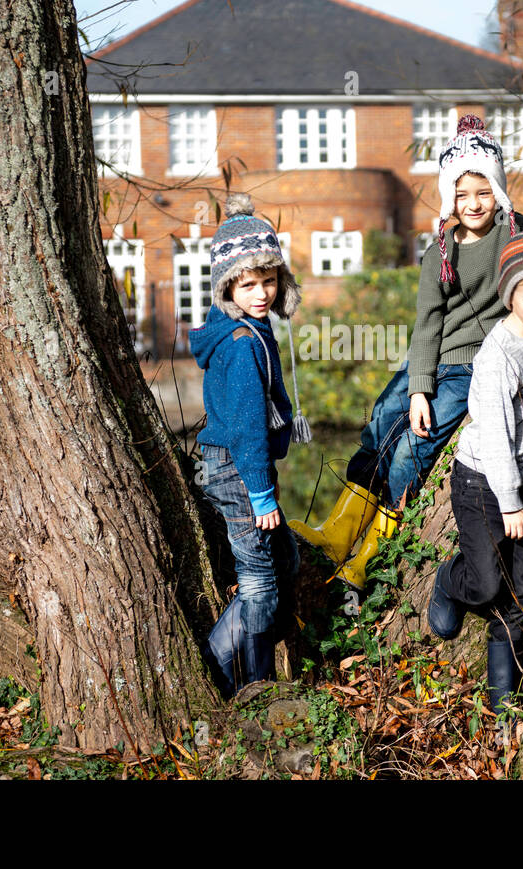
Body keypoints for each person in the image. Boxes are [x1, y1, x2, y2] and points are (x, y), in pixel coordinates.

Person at [290, 114, 523, 589]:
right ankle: (337, 533)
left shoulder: (514, 228)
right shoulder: (439, 249)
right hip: (435, 358)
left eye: (482, 191)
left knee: (413, 448)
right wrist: (417, 389)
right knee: (381, 421)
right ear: (448, 195)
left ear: (496, 188)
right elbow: (427, 324)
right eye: (462, 194)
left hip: (477, 367)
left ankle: (370, 555)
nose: (473, 204)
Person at [428, 230, 523, 711]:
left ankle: (501, 705)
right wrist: (510, 502)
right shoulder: (498, 354)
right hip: (483, 484)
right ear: (510, 295)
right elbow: (493, 433)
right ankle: (450, 580)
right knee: (488, 585)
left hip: (521, 482)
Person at [190, 192, 310, 697]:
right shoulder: (241, 346)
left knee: (286, 559)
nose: (261, 293)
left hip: (241, 464)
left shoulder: (254, 328)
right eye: (248, 284)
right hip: (236, 468)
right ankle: (240, 676)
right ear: (227, 287)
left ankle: (252, 658)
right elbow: (246, 431)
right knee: (259, 574)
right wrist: (260, 495)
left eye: (269, 280)